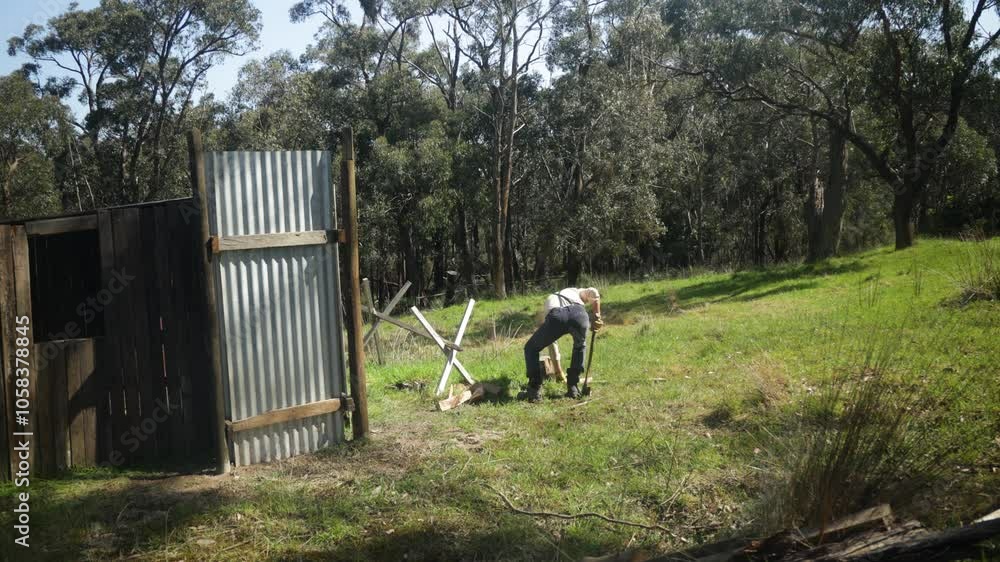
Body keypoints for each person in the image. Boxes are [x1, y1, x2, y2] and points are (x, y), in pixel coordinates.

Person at [522, 287, 604, 401]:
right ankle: (573, 388)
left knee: (531, 348)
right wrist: (597, 315)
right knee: (580, 346)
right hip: (579, 315)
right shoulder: (577, 291)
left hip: (557, 317)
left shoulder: (550, 300)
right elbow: (594, 293)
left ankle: (534, 391)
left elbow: (552, 344)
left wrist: (558, 370)